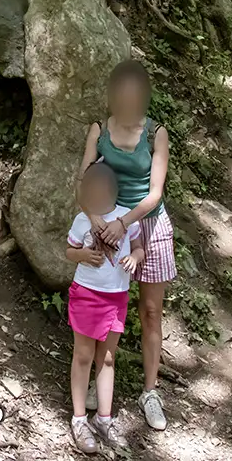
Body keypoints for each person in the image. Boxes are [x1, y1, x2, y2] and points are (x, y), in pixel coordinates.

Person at [80, 59, 175, 432]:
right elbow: (84, 181)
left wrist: (124, 223)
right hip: (107, 225)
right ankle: (98, 384)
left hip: (147, 227)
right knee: (106, 311)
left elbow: (155, 194)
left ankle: (150, 392)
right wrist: (96, 220)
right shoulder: (99, 130)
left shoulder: (156, 134)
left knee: (151, 311)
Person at [66, 163, 144, 453]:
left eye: (102, 194)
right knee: (84, 355)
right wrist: (83, 254)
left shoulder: (126, 217)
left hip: (117, 297)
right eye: (91, 194)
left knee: (107, 358)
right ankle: (78, 419)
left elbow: (138, 247)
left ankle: (104, 418)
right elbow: (69, 251)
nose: (97, 199)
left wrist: (136, 257)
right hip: (87, 294)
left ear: (114, 193)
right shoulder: (82, 221)